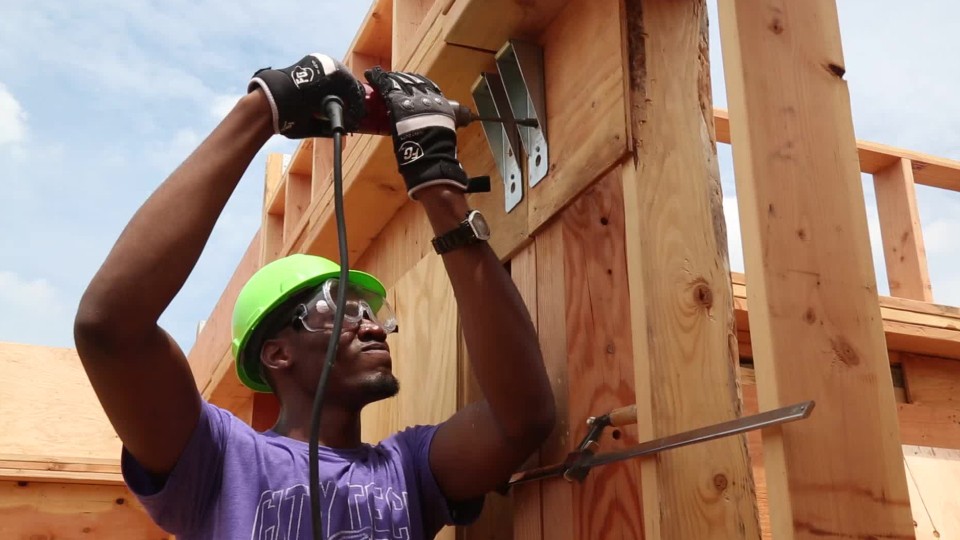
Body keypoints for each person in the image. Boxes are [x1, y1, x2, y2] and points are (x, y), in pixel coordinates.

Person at [73, 53, 556, 539]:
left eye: (371, 312)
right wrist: (265, 108)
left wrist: (438, 185)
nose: (373, 327)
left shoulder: (408, 470)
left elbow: (522, 420)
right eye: (340, 310)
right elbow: (109, 328)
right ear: (277, 353)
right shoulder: (220, 460)